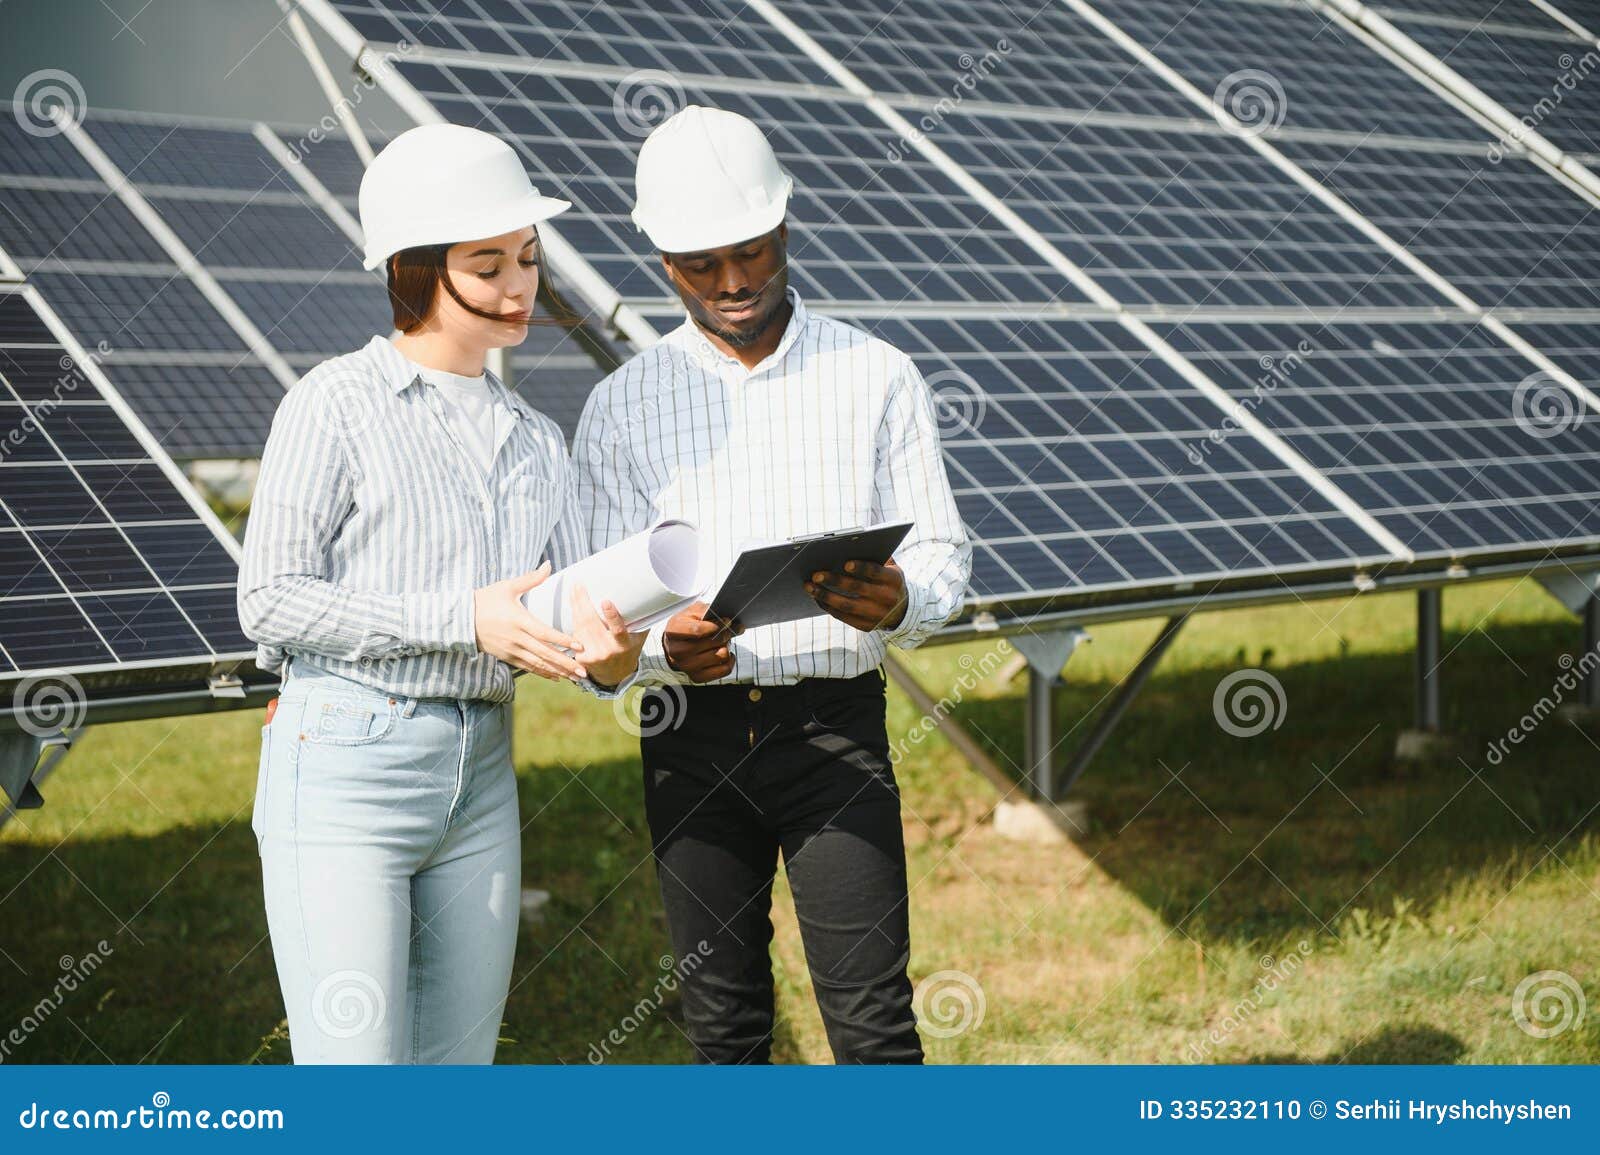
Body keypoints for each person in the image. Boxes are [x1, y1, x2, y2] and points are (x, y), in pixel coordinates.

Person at [237, 123, 645, 1064]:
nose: (518, 288)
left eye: (529, 260)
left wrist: (610, 661)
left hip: (482, 779)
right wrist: (460, 617)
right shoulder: (332, 404)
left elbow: (562, 616)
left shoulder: (540, 438)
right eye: (488, 263)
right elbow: (270, 600)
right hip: (344, 772)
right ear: (418, 270)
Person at [574, 105, 973, 1063]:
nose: (735, 282)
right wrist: (662, 648)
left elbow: (944, 563)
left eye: (751, 252)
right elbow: (597, 622)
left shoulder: (875, 374)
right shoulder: (620, 408)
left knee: (874, 1028)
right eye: (703, 265)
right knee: (725, 1030)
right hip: (687, 739)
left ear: (785, 226)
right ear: (664, 262)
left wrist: (901, 601)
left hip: (836, 730)